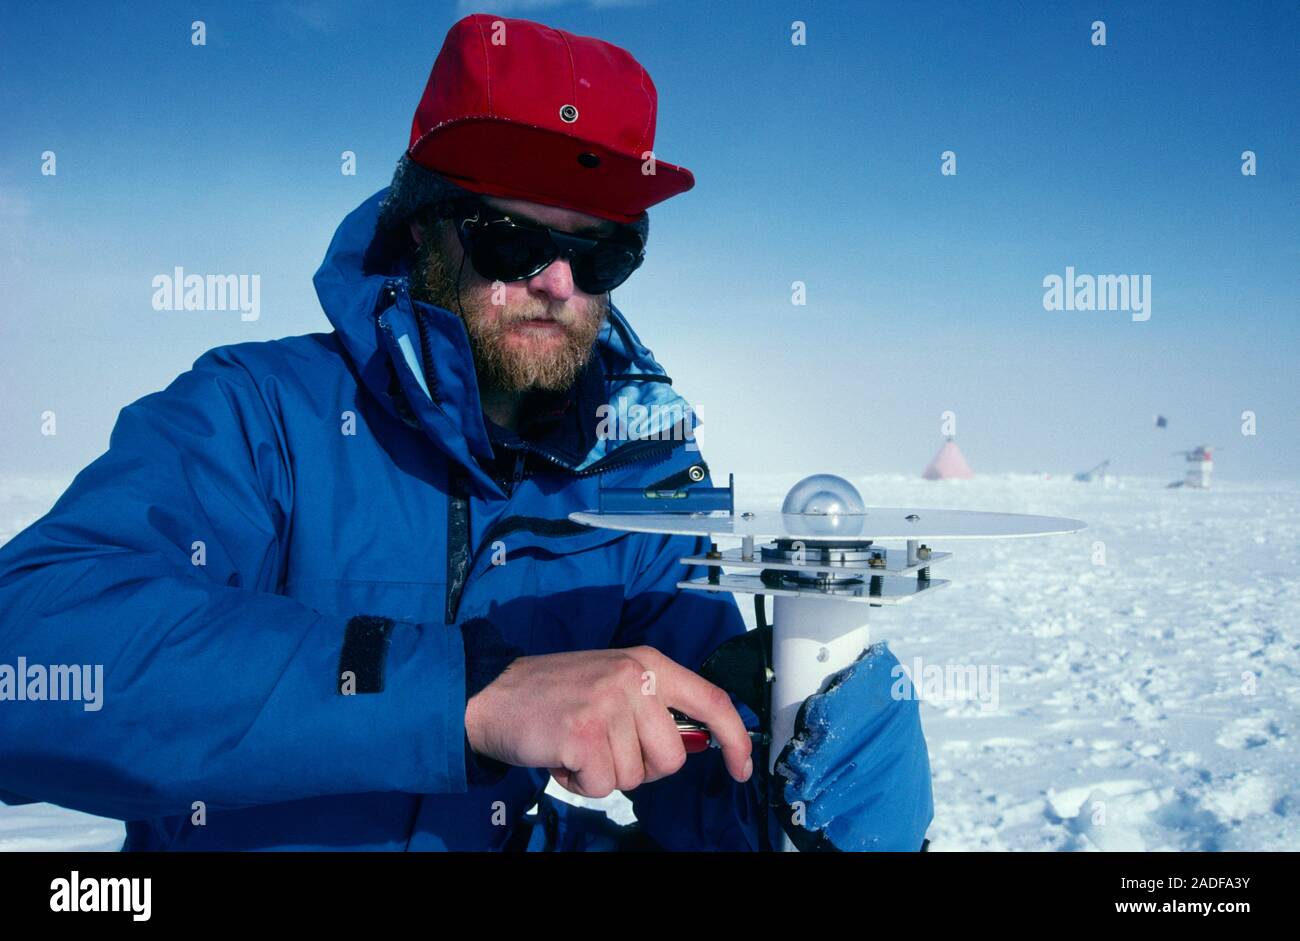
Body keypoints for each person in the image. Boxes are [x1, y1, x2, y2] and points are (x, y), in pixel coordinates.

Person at [0, 13, 932, 851]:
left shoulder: (641, 477)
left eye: (601, 249)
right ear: (422, 233)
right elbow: (30, 659)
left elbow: (704, 787)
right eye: (513, 241)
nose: (560, 283)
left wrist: (824, 786)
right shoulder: (258, 415)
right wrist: (467, 696)